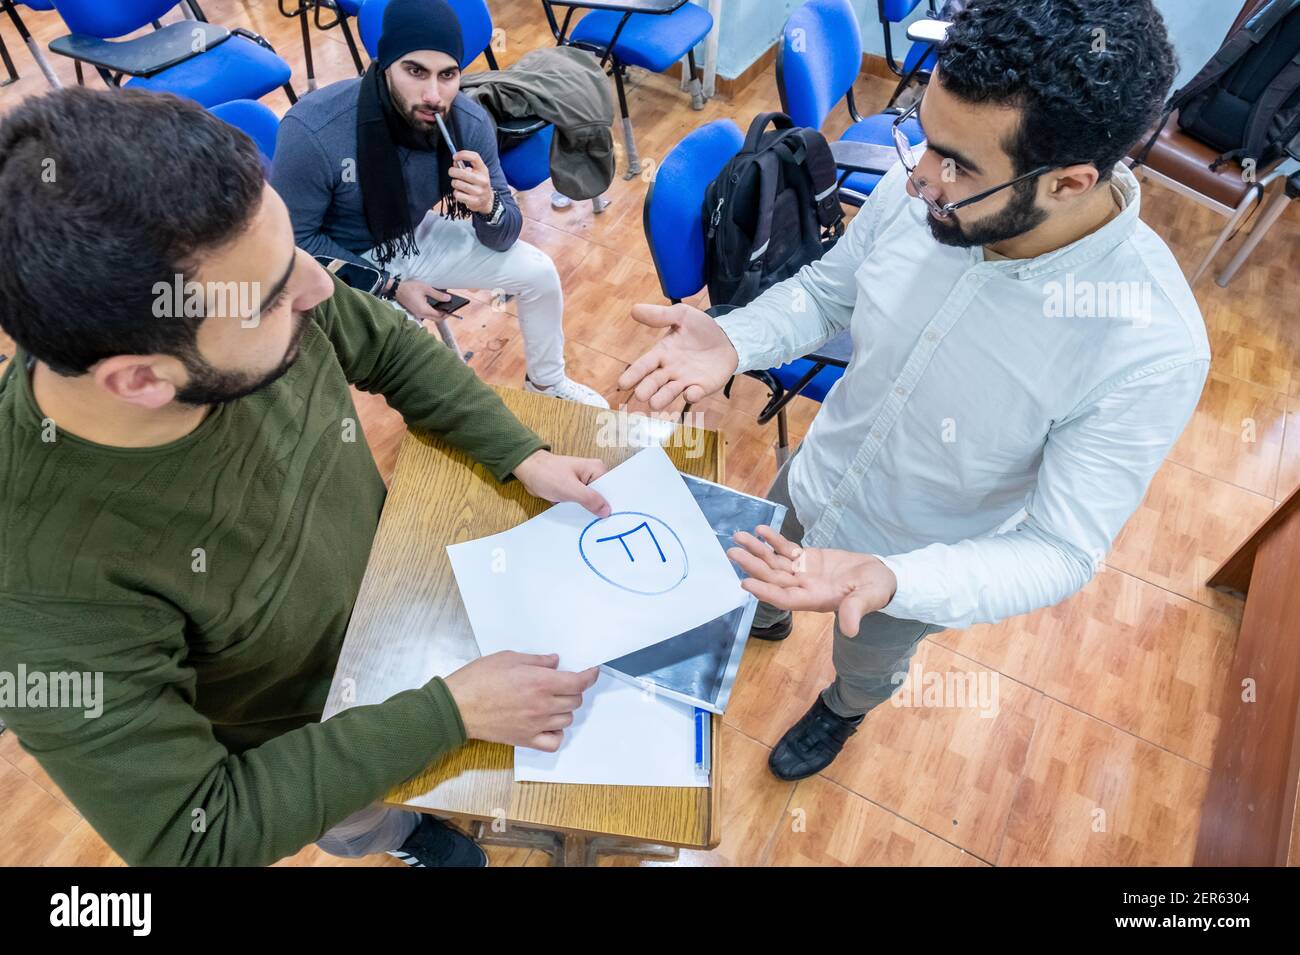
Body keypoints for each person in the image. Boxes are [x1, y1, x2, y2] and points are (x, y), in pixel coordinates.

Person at [0, 86, 613, 866]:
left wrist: (521, 452)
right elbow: (197, 835)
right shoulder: (42, 593)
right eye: (272, 300)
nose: (318, 289)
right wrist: (449, 714)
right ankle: (401, 837)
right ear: (141, 381)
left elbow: (389, 345)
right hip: (315, 741)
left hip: (408, 610)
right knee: (367, 820)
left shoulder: (252, 292)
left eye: (292, 251)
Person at [618, 0, 1208, 781]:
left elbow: (1062, 549)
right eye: (924, 137)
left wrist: (897, 579)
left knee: (867, 664)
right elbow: (831, 294)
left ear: (1069, 182)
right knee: (758, 574)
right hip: (817, 474)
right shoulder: (922, 190)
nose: (920, 176)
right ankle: (761, 617)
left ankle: (841, 713)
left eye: (958, 163)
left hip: (914, 560)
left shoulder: (1149, 346)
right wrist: (735, 338)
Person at [271, 0, 607, 407]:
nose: (433, 94)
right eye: (415, 71)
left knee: (538, 273)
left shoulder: (468, 119)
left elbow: (503, 234)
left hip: (410, 235)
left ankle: (547, 384)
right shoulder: (314, 129)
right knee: (409, 350)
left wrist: (488, 206)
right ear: (384, 63)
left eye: (447, 75)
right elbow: (295, 246)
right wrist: (390, 286)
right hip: (341, 262)